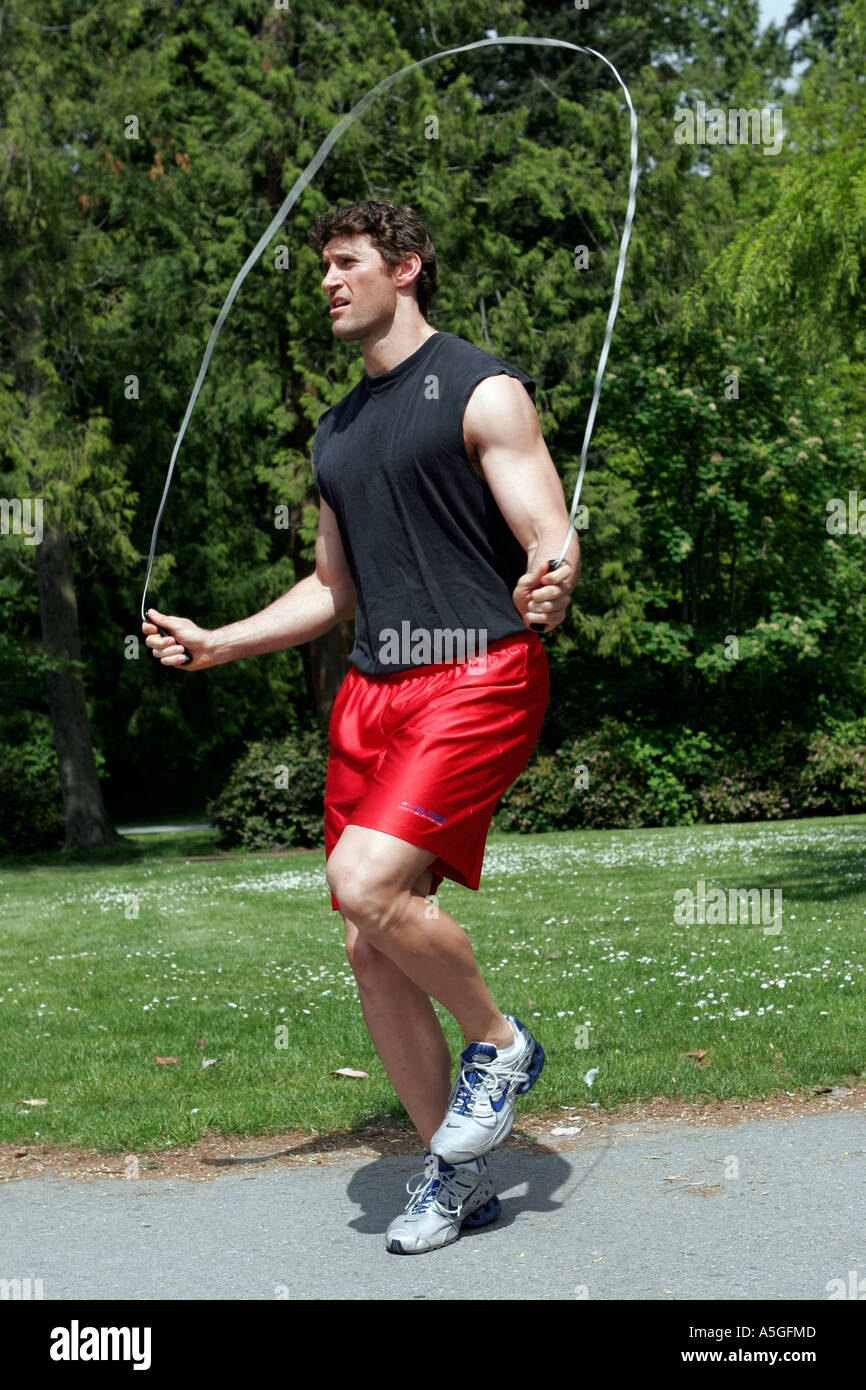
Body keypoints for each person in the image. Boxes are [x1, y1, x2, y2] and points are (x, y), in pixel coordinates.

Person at [143, 199, 579, 1255]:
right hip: (373, 693)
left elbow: (546, 527)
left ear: (405, 268)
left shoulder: (481, 388)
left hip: (475, 670)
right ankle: (455, 1171)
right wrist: (223, 641)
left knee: (365, 882)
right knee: (366, 942)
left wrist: (552, 577)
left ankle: (500, 1041)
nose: (328, 282)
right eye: (322, 268)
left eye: (346, 264)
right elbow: (333, 586)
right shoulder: (335, 429)